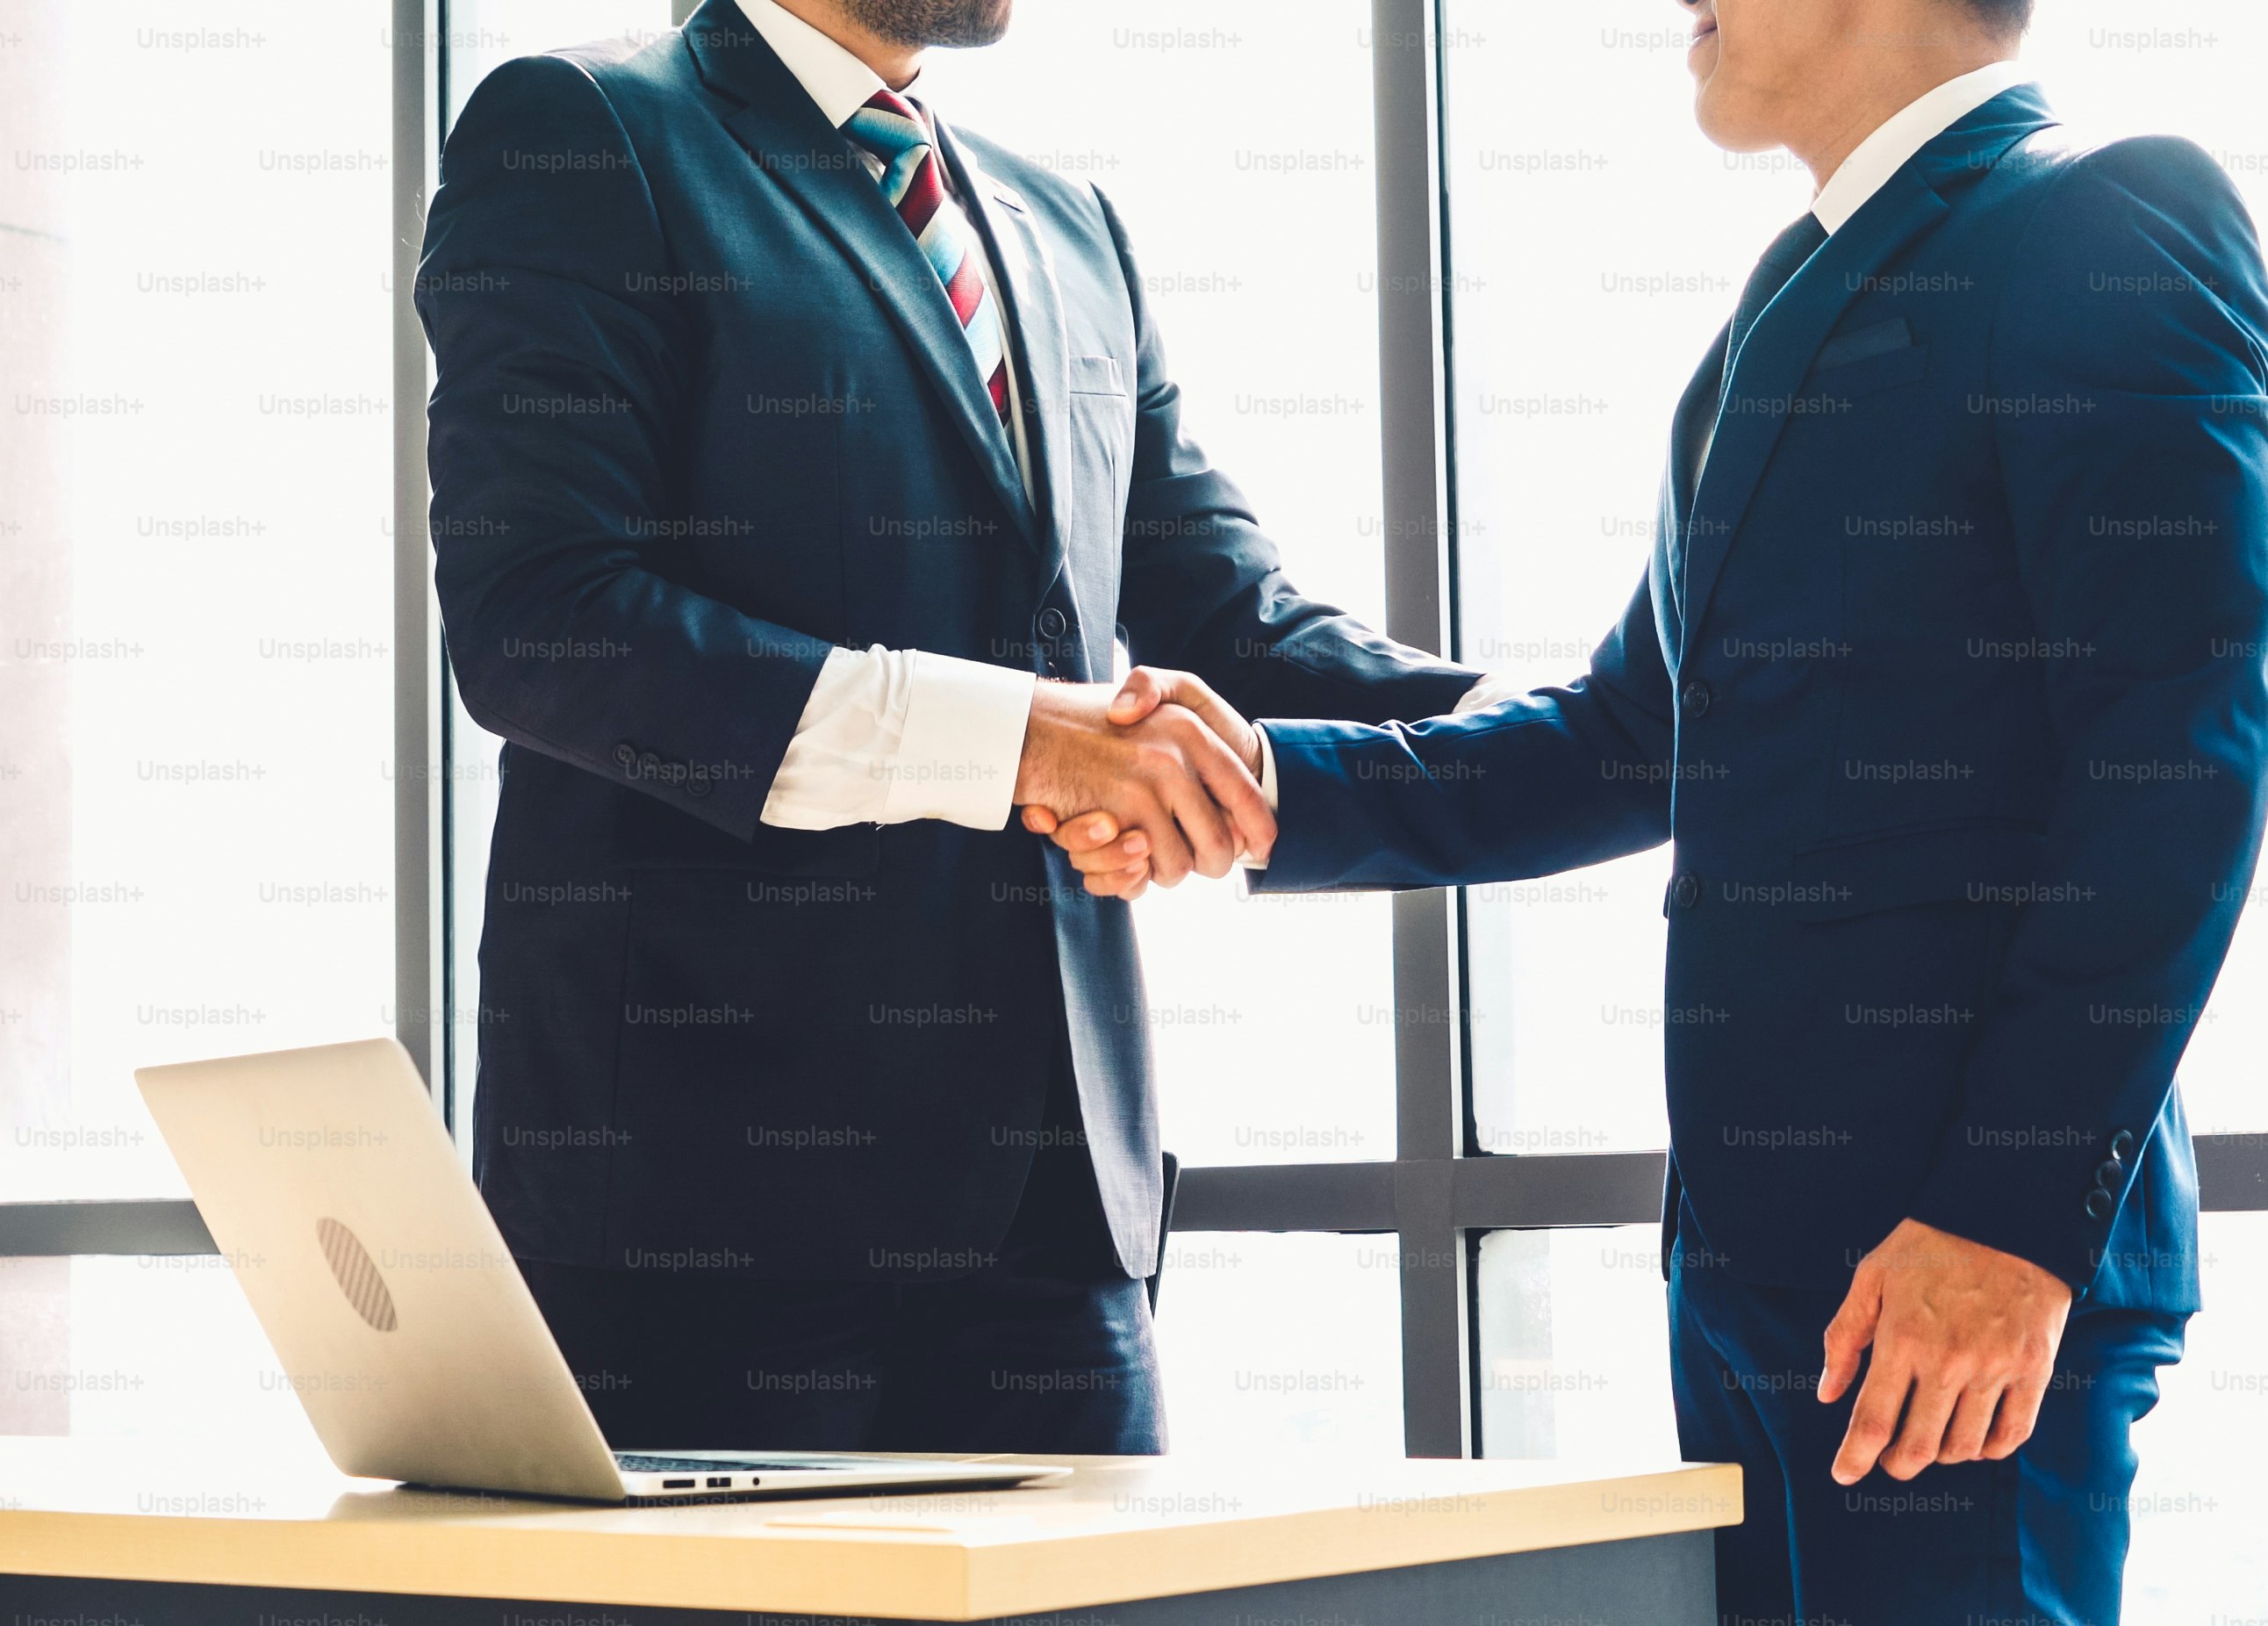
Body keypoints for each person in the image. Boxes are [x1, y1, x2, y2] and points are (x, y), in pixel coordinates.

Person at [1044, 0, 2268, 1616]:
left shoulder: (2111, 212)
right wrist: (1265, 789)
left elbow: (2178, 755)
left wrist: (2008, 1224)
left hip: (1954, 1274)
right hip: (1762, 1270)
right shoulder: (1776, 308)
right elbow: (1634, 741)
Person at [413, 0, 1475, 1457]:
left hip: (1055, 1225)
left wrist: (1622, 725)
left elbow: (1230, 619)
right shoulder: (584, 130)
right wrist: (1026, 741)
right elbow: (543, 622)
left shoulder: (1065, 223)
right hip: (704, 1226)